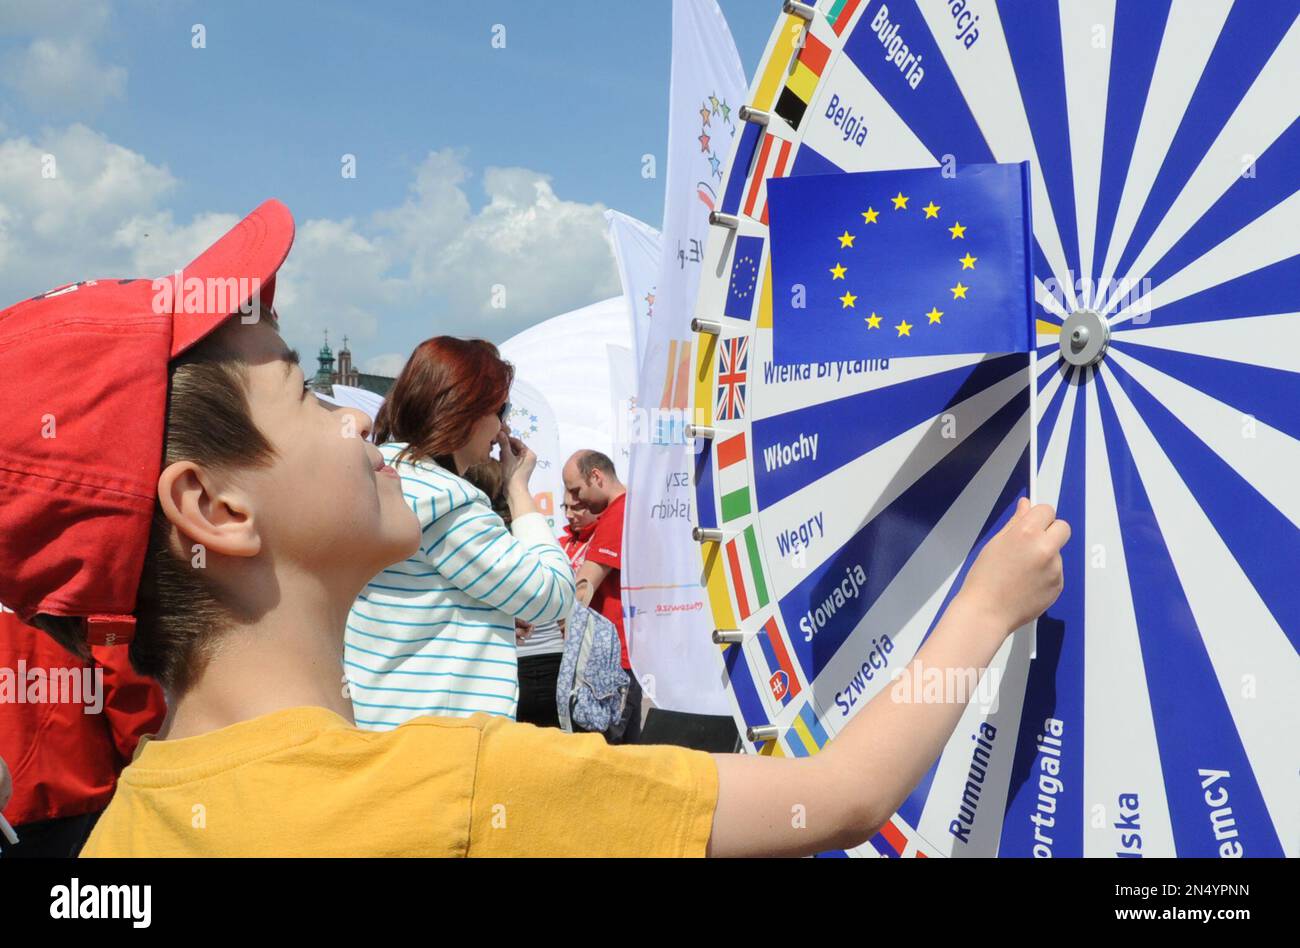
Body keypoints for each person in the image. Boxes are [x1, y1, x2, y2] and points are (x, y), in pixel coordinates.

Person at [1, 199, 1070, 857]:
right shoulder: (453, 791)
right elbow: (836, 801)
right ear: (213, 511)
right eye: (304, 393)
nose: (356, 419)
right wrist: (986, 600)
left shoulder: (129, 830)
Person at [343, 338, 575, 726]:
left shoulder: (383, 479)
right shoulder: (447, 501)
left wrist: (491, 612)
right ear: (467, 412)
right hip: (446, 740)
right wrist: (518, 489)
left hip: (386, 721)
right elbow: (553, 595)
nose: (503, 426)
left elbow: (418, 600)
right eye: (501, 410)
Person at [0, 611, 165, 857]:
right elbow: (126, 685)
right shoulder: (78, 578)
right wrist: (156, 766)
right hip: (68, 791)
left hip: (53, 795)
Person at [561, 450, 638, 741]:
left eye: (576, 490)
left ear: (596, 476)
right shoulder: (631, 508)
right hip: (626, 652)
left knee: (605, 752)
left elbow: (584, 584)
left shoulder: (619, 511)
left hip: (613, 657)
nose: (574, 500)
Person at [514, 502, 599, 728]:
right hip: (555, 660)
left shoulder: (497, 549)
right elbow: (569, 596)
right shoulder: (545, 546)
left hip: (520, 664)